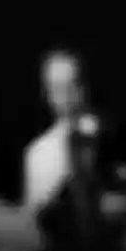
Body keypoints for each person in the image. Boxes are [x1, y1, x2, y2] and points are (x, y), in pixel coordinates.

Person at [25, 48, 91, 210]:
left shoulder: (110, 136)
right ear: (46, 93)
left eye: (73, 84)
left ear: (84, 86)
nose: (66, 96)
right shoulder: (38, 154)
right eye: (57, 88)